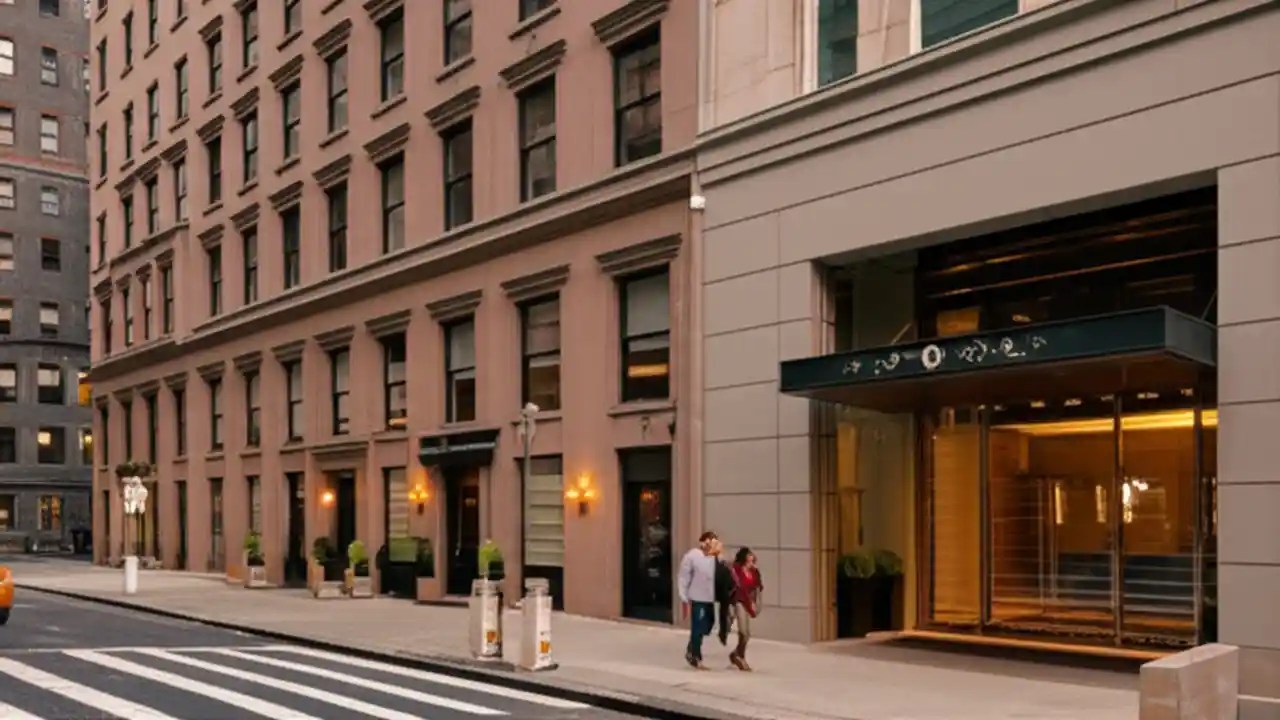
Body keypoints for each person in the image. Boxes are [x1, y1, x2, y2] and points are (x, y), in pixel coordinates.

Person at [678, 531, 719, 669]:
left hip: (710, 598)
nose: (709, 544)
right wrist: (683, 595)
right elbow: (684, 576)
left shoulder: (715, 558)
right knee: (698, 626)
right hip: (697, 597)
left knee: (708, 624)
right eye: (707, 540)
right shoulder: (693, 556)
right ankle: (695, 655)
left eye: (712, 541)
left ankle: (692, 647)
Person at [729, 547, 763, 671]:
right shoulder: (736, 570)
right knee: (744, 631)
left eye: (752, 555)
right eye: (749, 555)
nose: (751, 557)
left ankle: (736, 654)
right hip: (738, 601)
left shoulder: (755, 572)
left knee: (746, 634)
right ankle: (740, 657)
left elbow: (758, 589)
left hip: (749, 603)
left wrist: (757, 604)